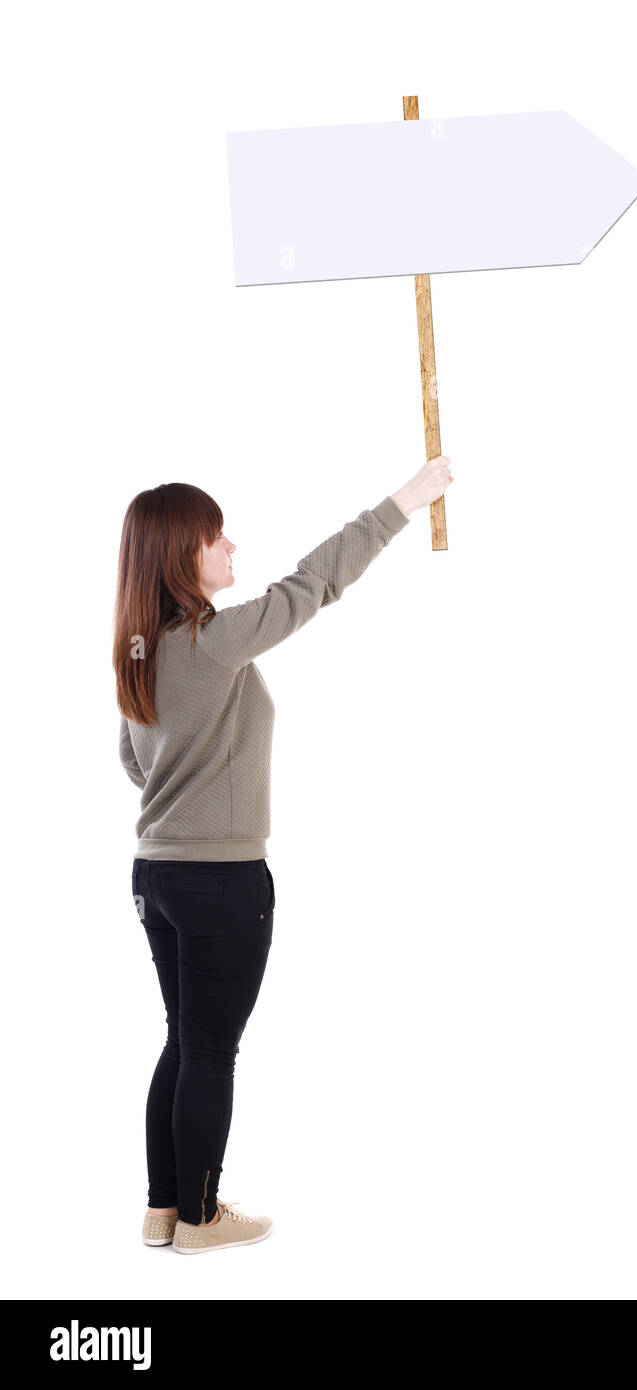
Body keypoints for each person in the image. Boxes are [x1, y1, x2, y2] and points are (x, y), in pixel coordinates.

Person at [114, 456, 454, 1254]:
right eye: (214, 536)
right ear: (179, 556)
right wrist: (408, 499)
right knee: (207, 1051)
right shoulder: (212, 642)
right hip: (221, 882)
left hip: (155, 876)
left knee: (182, 1039)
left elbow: (134, 762)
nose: (232, 546)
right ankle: (201, 1217)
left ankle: (164, 1209)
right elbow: (316, 583)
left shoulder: (139, 652)